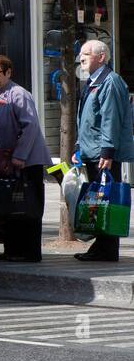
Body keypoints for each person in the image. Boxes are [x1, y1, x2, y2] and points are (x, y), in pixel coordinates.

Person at [0, 54, 51, 262]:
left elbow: (30, 126)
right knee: (9, 205)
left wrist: (20, 155)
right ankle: (12, 249)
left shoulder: (19, 94)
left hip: (27, 160)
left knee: (28, 206)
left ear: (8, 72)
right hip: (5, 162)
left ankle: (29, 252)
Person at [72, 39, 134, 261]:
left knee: (105, 200)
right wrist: (79, 146)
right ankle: (101, 247)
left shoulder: (111, 82)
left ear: (101, 57)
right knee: (97, 202)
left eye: (86, 54)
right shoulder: (92, 82)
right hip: (92, 151)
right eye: (80, 54)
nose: (81, 57)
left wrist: (107, 152)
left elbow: (111, 119)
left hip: (103, 154)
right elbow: (87, 119)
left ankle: (107, 249)